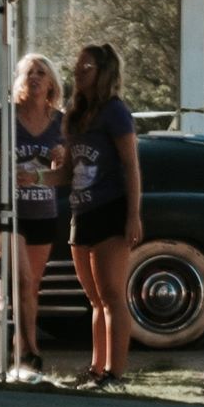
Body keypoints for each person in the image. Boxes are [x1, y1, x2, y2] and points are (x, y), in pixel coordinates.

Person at [0, 52, 65, 374]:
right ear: (19, 80)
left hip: (43, 210)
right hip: (5, 208)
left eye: (41, 72)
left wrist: (60, 156)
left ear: (51, 82)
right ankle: (30, 353)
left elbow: (64, 173)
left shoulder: (60, 121)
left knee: (31, 285)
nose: (34, 77)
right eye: (28, 73)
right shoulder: (2, 115)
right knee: (20, 279)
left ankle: (17, 349)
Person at [59, 43, 141, 387]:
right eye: (77, 66)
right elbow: (65, 172)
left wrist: (133, 215)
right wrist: (31, 177)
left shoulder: (115, 112)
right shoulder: (75, 115)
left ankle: (115, 372)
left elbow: (131, 166)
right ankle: (96, 368)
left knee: (111, 294)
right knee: (93, 297)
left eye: (87, 67)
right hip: (82, 210)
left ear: (103, 72)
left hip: (111, 208)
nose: (79, 73)